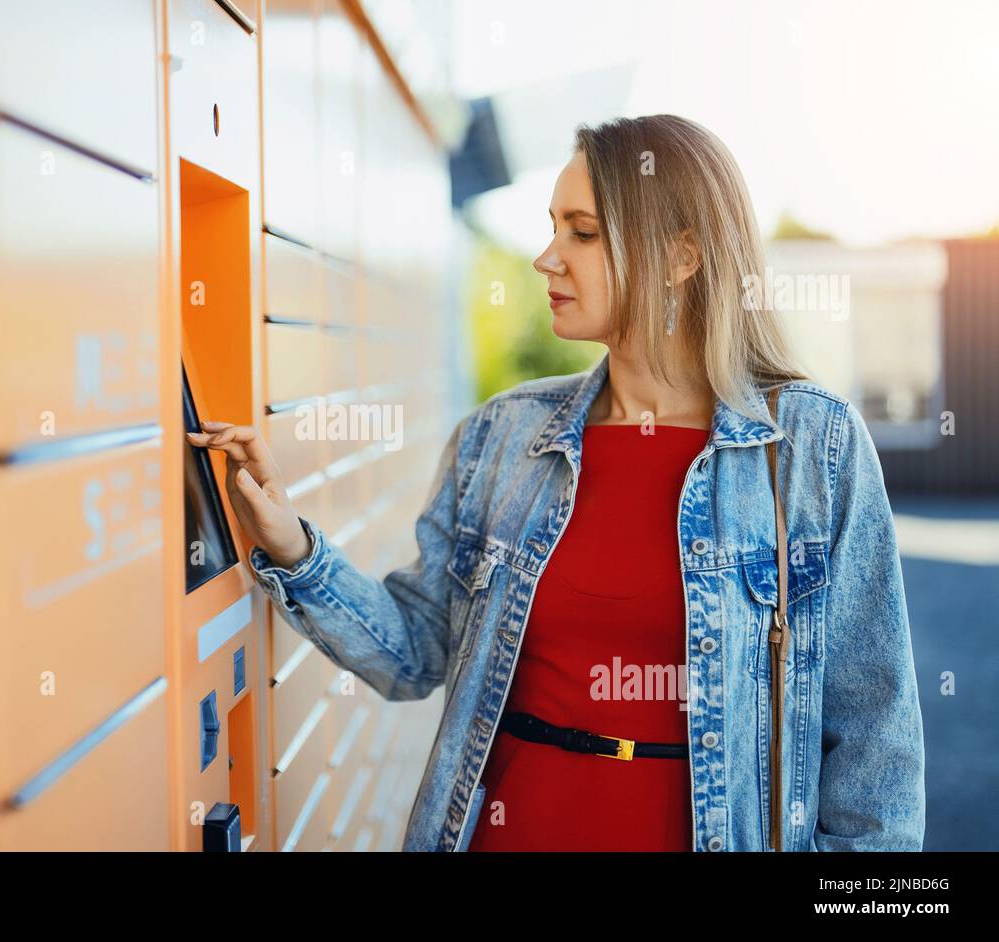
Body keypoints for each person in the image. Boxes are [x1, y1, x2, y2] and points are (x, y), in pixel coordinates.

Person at [187, 114, 926, 852]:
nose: (547, 258)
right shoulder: (504, 436)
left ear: (681, 258)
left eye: (583, 231)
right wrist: (291, 545)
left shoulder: (809, 447)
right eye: (552, 227)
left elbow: (875, 742)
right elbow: (414, 654)